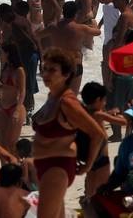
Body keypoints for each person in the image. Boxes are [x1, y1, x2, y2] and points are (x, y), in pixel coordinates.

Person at [32, 48, 105, 218]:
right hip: (46, 166)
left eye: (52, 70)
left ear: (65, 75)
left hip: (58, 167)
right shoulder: (52, 97)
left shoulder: (67, 102)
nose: (46, 74)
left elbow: (97, 133)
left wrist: (87, 165)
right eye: (44, 69)